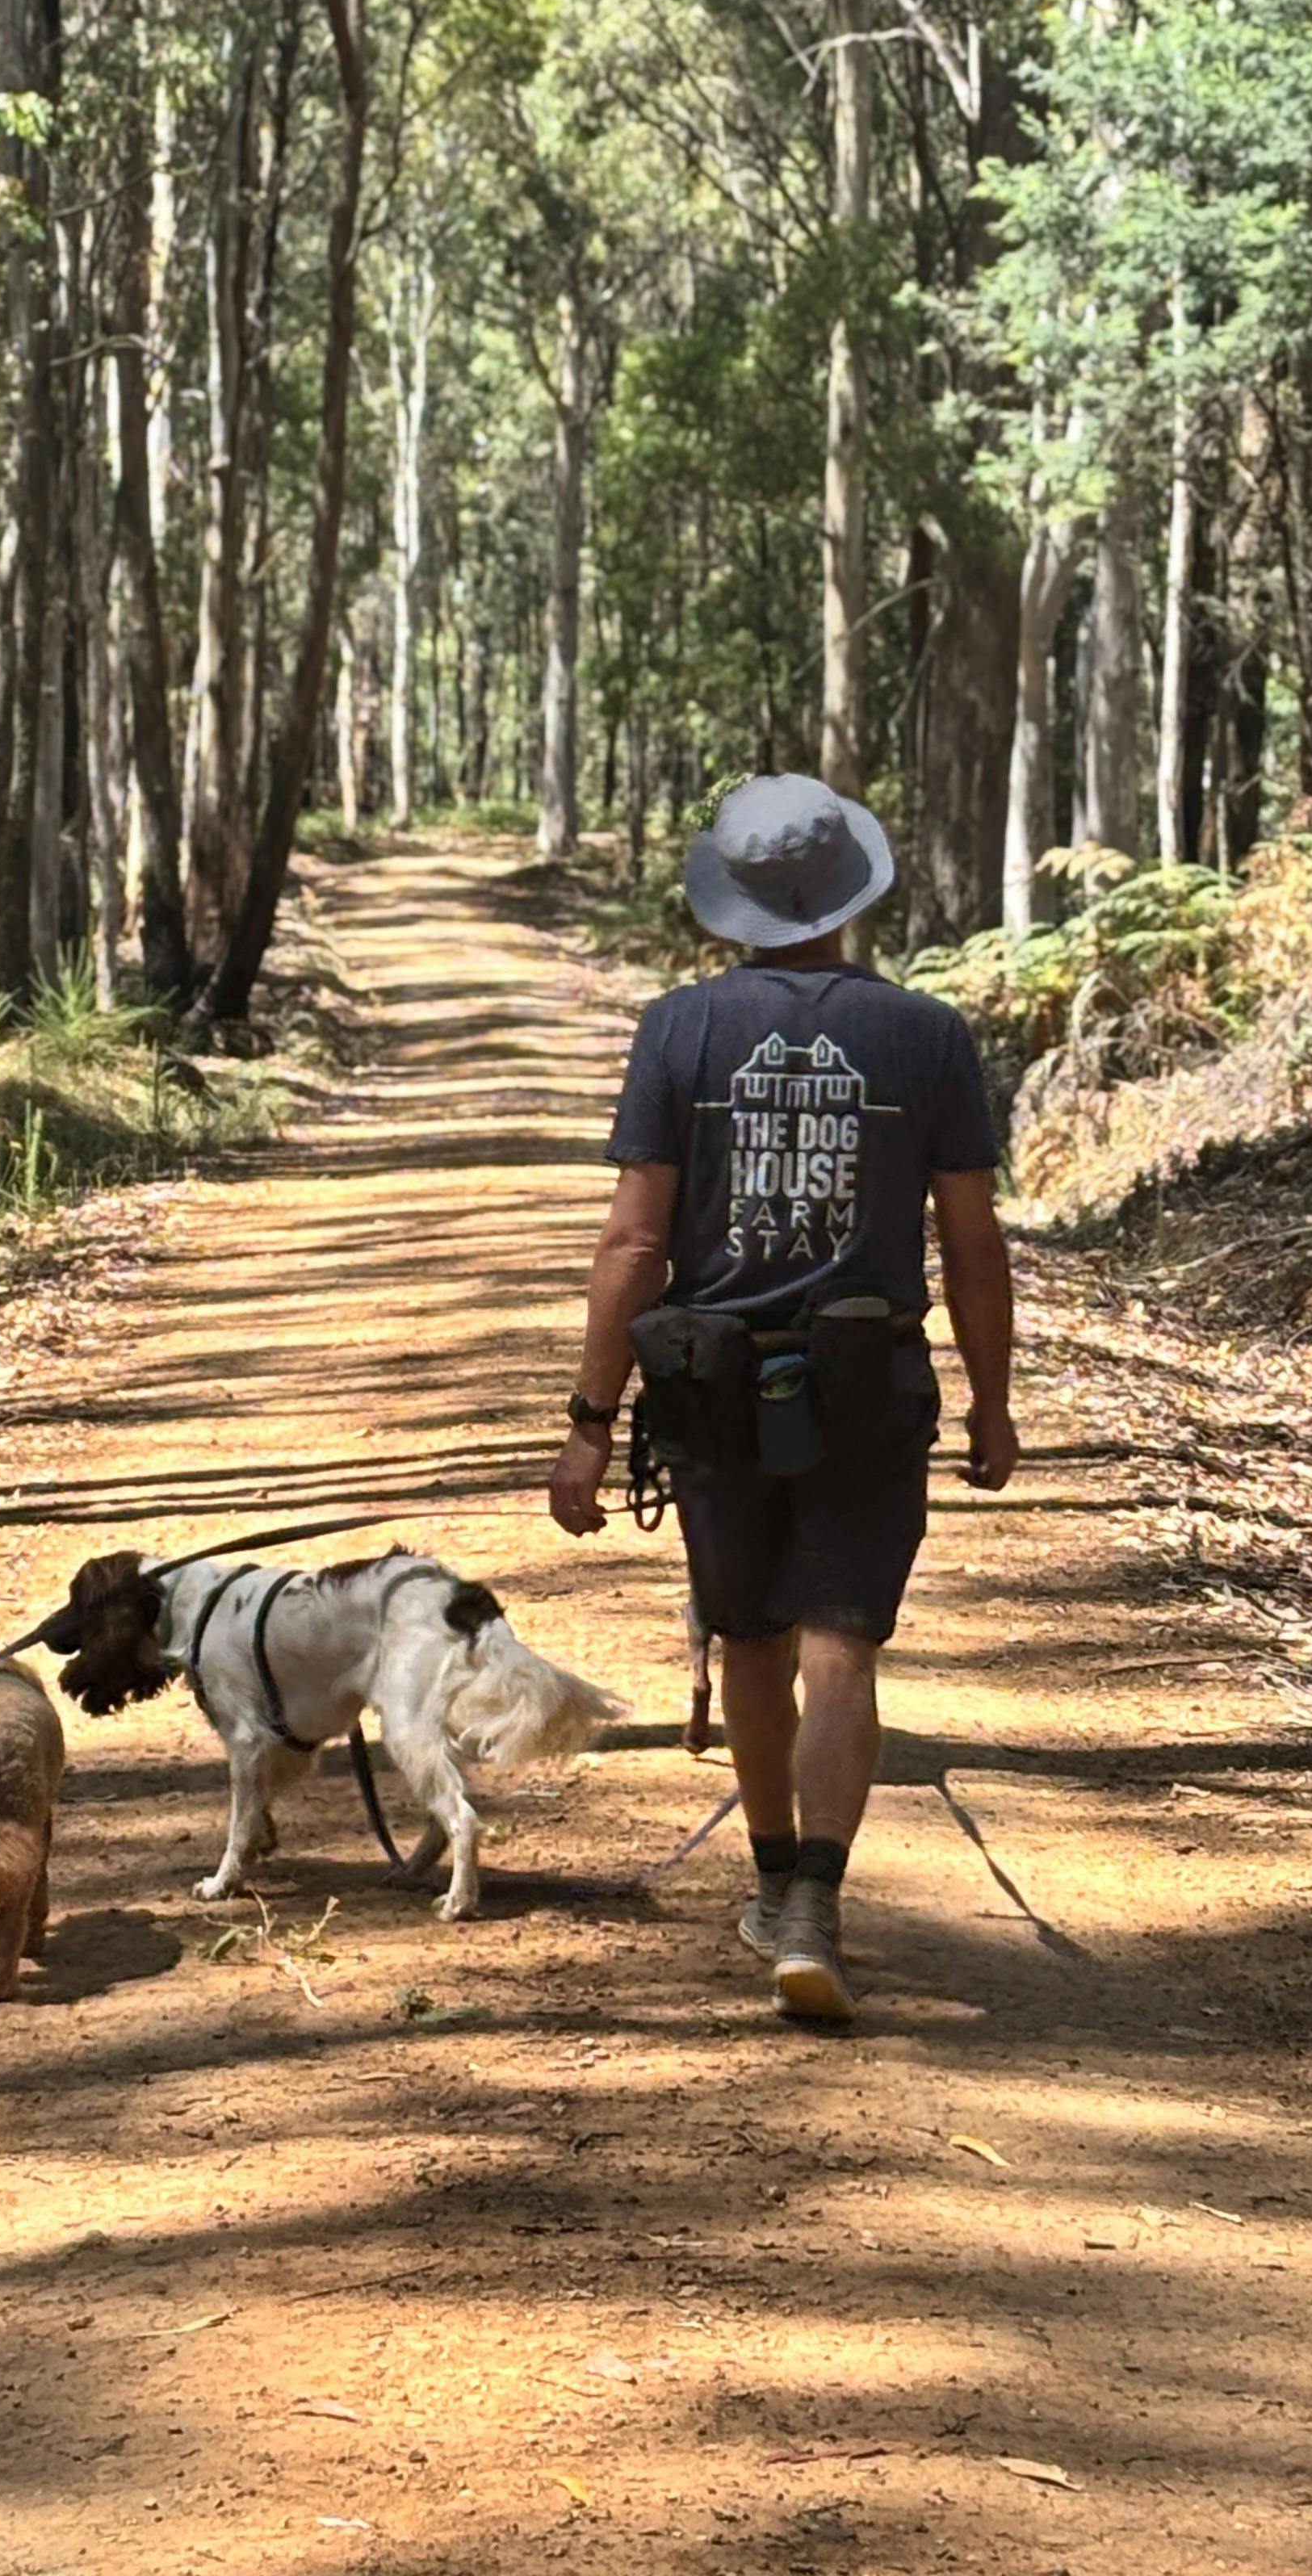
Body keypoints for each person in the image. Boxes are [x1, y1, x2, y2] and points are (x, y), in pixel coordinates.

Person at [547, 772, 1017, 2025]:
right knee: (842, 1638)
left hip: (716, 1386)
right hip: (872, 1379)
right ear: (850, 895)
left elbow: (635, 1248)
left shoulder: (680, 1033)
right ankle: (817, 1897)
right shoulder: (926, 1037)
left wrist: (591, 1424)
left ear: (733, 903)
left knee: (748, 1638)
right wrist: (992, 1404)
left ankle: (770, 1886)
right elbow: (972, 1245)